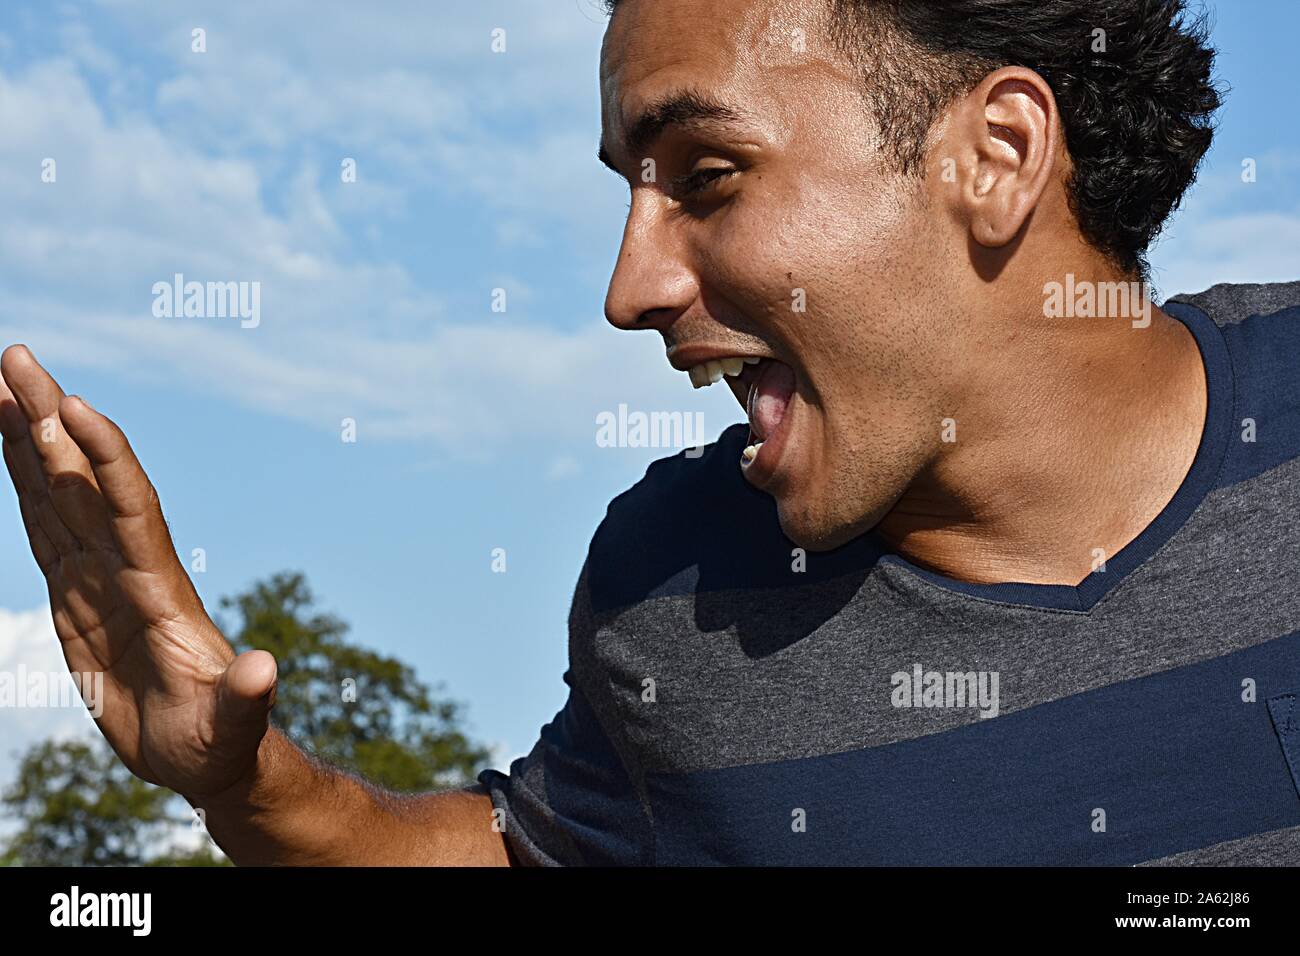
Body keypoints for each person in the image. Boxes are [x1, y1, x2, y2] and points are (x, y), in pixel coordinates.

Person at [3, 0, 1298, 865]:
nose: (629, 291)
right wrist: (245, 783)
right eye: (631, 191)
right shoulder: (674, 595)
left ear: (998, 153)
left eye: (708, 176)